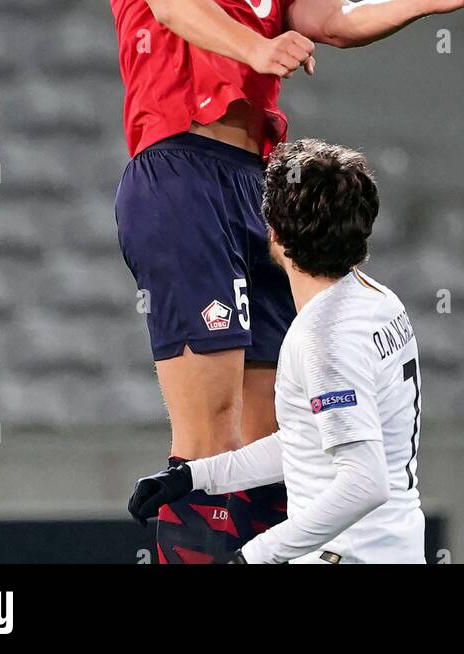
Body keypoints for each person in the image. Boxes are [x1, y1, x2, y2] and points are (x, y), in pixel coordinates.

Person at [102, 0, 464, 561]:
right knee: (207, 435)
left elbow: (335, 19)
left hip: (258, 188)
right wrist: (256, 47)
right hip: (182, 168)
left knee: (281, 427)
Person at [128, 138, 425, 564]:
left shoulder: (324, 339)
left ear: (272, 229)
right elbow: (309, 442)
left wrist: (255, 556)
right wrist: (196, 476)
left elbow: (365, 481)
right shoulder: (380, 302)